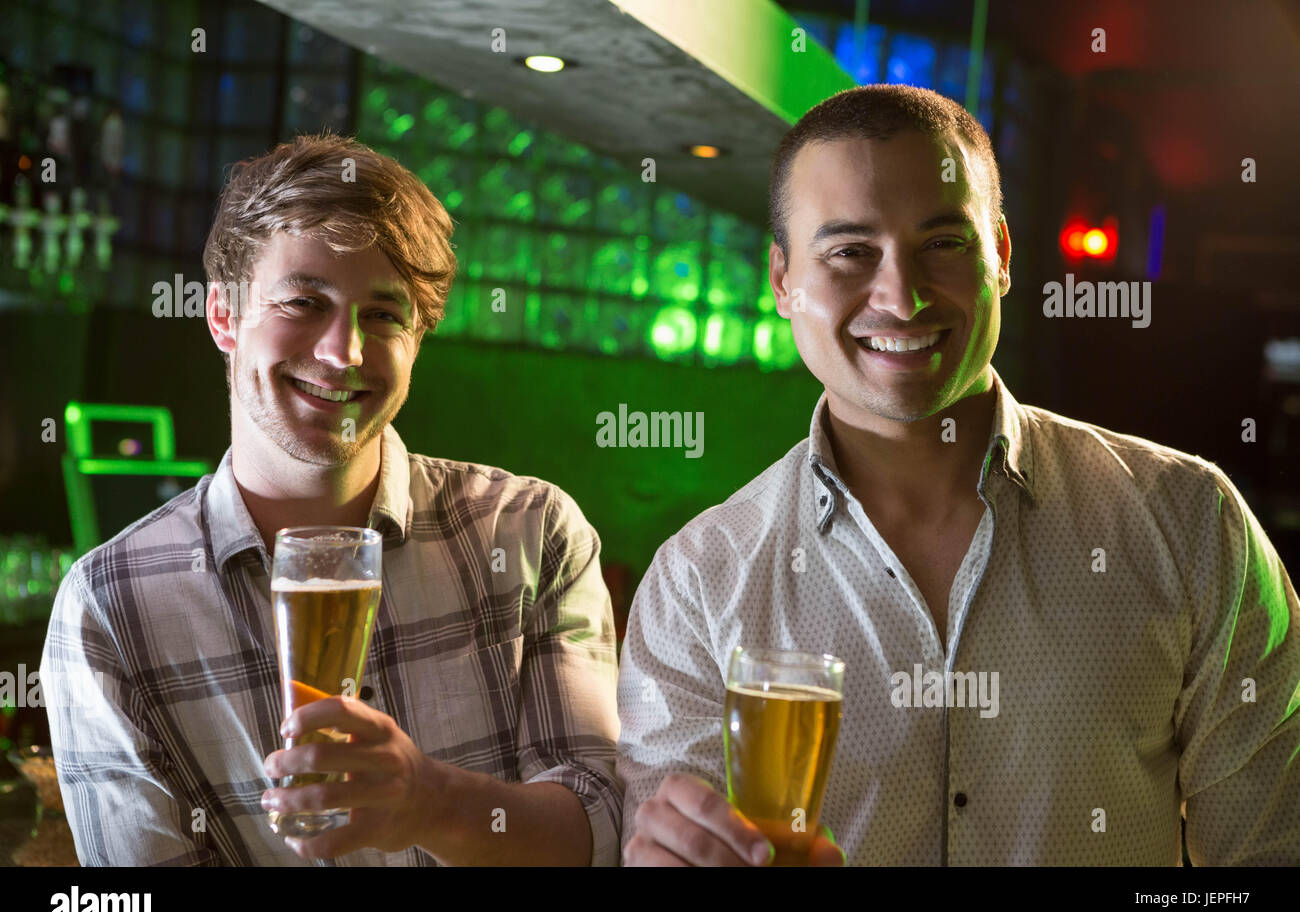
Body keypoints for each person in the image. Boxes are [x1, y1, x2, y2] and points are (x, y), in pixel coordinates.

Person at [616, 84, 1299, 866]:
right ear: (781, 281)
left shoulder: (1189, 523)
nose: (901, 296)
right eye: (850, 252)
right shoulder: (699, 582)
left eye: (942, 243)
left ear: (1000, 257)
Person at [41, 134, 622, 866]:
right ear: (223, 315)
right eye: (304, 301)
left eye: (383, 315)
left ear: (419, 338)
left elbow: (602, 826)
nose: (342, 351)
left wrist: (432, 804)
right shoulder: (109, 607)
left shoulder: (532, 532)